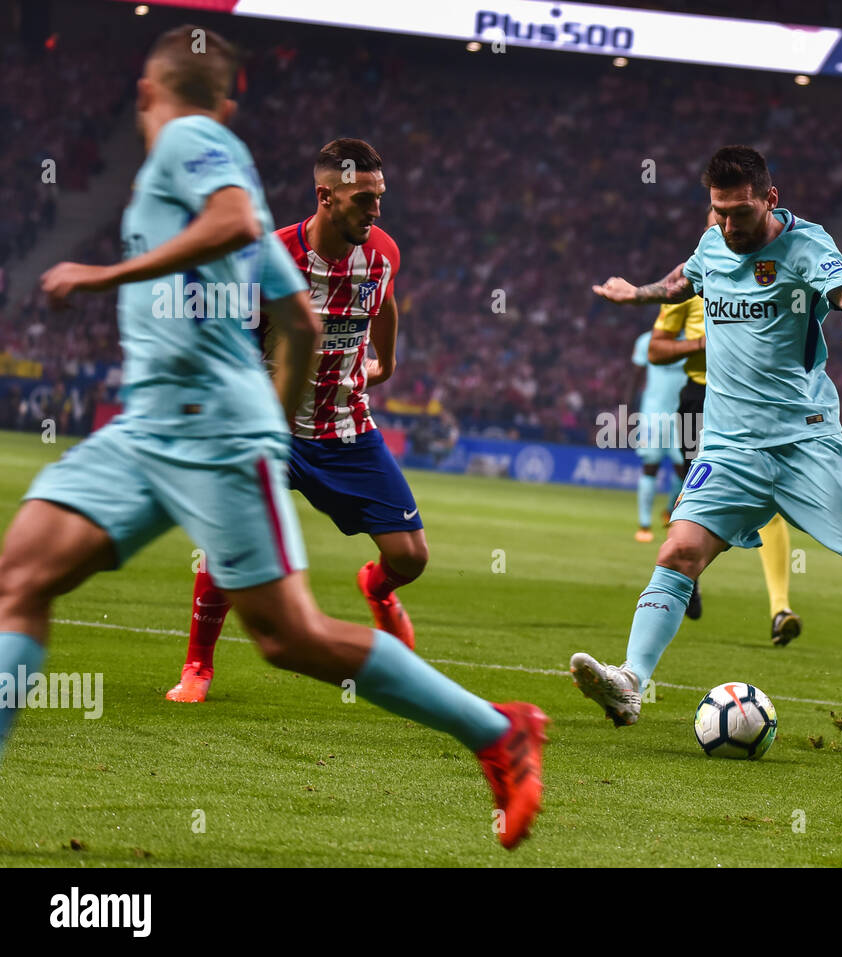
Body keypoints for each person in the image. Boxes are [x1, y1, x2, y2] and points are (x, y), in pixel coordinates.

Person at [0, 26, 545, 849]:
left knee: (290, 635)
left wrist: (102, 274)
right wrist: (278, 428)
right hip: (153, 425)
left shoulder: (190, 142)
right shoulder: (247, 211)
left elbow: (230, 222)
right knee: (20, 578)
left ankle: (498, 732)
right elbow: (298, 319)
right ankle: (205, 663)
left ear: (148, 95)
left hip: (213, 426)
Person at [572, 145, 842, 726]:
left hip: (804, 442)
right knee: (678, 552)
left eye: (739, 212)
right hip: (729, 445)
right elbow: (683, 281)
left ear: (769, 200)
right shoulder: (713, 243)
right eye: (719, 211)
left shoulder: (807, 245)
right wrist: (636, 292)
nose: (728, 225)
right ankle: (630, 682)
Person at [166, 137, 428, 704]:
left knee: (411, 558)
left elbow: (384, 302)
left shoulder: (382, 253)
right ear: (326, 197)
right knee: (228, 542)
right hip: (270, 428)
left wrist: (386, 362)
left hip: (346, 428)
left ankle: (377, 590)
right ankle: (197, 667)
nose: (375, 210)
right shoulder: (269, 259)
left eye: (380, 197)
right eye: (363, 199)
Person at [617, 206, 805, 645]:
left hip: (755, 401)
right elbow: (656, 350)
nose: (727, 229)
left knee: (769, 498)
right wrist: (703, 342)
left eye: (733, 222)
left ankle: (780, 609)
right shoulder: (689, 282)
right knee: (692, 497)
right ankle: (687, 577)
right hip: (701, 401)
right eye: (717, 223)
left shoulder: (770, 272)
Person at [629, 329, 687, 543]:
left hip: (683, 414)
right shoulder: (646, 341)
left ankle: (670, 510)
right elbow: (635, 376)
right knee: (650, 466)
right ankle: (644, 524)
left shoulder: (693, 340)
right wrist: (627, 410)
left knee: (684, 469)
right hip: (652, 414)